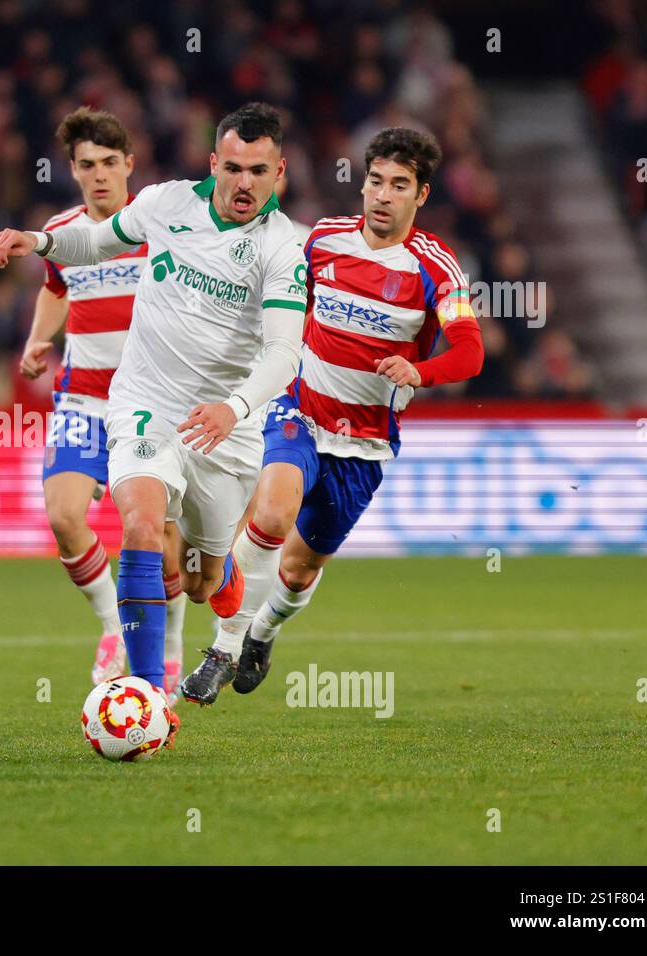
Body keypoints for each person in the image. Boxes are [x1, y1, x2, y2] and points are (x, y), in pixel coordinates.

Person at [0, 103, 308, 743]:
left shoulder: (284, 246)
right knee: (138, 521)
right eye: (234, 169)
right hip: (145, 401)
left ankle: (228, 603)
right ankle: (146, 693)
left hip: (226, 426)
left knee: (199, 579)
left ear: (280, 172)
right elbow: (99, 240)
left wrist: (235, 408)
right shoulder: (166, 204)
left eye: (260, 171)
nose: (245, 183)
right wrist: (42, 242)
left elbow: (282, 351)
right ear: (213, 164)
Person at [180, 127, 485, 704]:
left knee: (298, 570)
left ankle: (262, 634)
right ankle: (222, 649)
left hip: (364, 443)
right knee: (270, 515)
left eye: (399, 185)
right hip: (299, 411)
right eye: (375, 181)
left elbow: (470, 349)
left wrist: (422, 371)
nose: (382, 195)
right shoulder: (322, 240)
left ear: (421, 196)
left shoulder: (437, 267)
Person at [17, 106, 187, 694]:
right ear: (72, 169)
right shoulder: (61, 233)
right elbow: (54, 288)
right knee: (64, 517)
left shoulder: (159, 229)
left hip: (153, 403)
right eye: (86, 165)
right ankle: (115, 624)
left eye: (110, 163)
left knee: (161, 540)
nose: (99, 175)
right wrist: (40, 338)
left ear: (130, 166)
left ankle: (167, 650)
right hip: (84, 401)